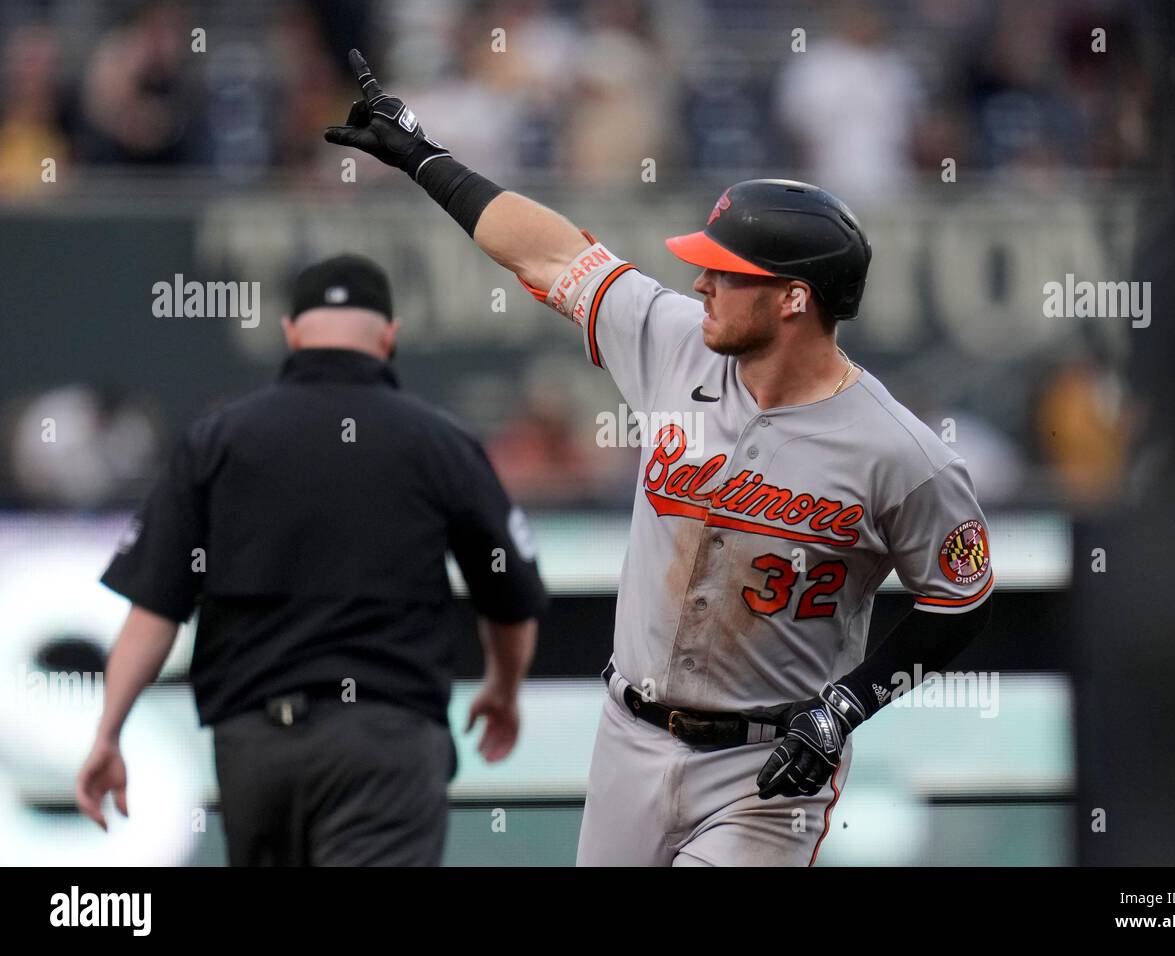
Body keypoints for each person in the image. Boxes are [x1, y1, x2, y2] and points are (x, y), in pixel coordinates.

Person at [324, 51, 992, 866]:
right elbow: (548, 254)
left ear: (793, 299)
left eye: (725, 270)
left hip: (768, 765)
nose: (701, 281)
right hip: (629, 737)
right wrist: (424, 159)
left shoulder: (902, 452)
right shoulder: (674, 341)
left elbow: (959, 597)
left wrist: (846, 708)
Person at [75, 254, 546, 866]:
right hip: (385, 748)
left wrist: (108, 732)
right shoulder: (440, 442)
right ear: (390, 336)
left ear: (292, 332)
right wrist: (503, 690)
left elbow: (155, 610)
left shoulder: (218, 439)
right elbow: (509, 597)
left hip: (256, 749)